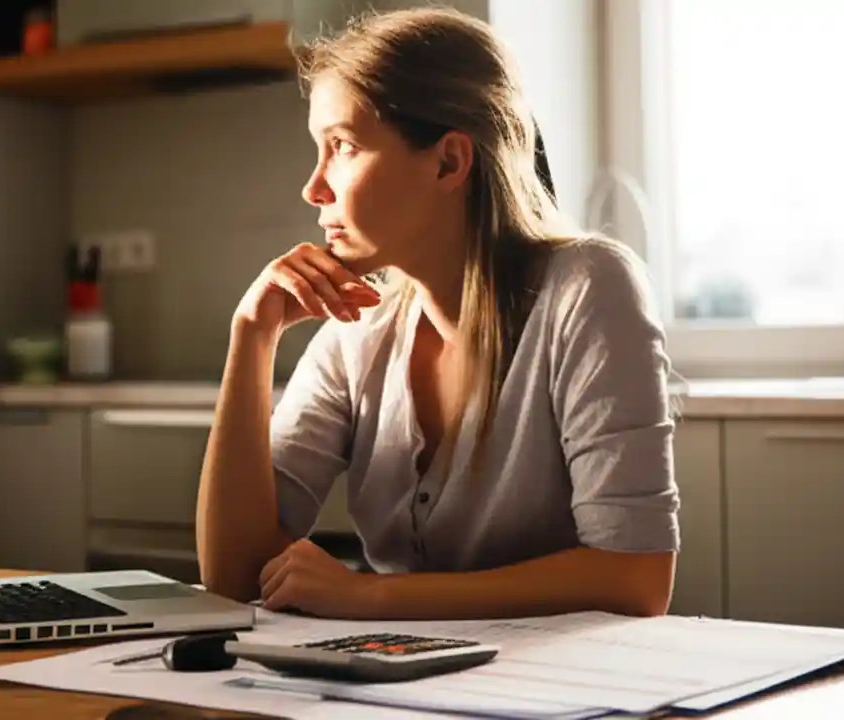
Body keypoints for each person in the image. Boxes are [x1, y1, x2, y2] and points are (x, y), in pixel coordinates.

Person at [196, 6, 679, 621]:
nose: (314, 187)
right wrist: (252, 335)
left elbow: (634, 579)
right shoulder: (359, 332)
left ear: (449, 162)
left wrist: (372, 595)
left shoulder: (589, 288)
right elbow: (232, 576)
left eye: (341, 146)